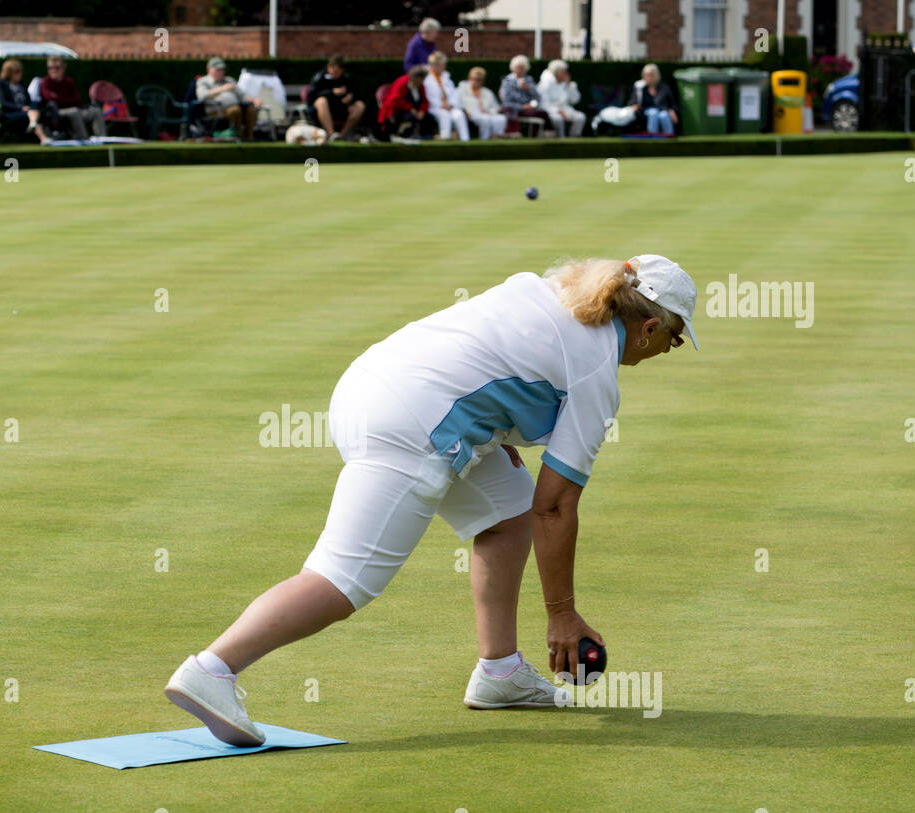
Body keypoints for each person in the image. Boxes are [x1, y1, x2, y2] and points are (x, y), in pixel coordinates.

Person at [164, 255, 700, 745]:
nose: (667, 351)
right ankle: (213, 669)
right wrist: (562, 615)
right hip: (413, 422)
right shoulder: (596, 367)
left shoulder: (556, 291)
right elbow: (556, 506)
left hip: (370, 386)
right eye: (673, 339)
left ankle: (501, 673)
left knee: (506, 513)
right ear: (649, 327)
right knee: (345, 579)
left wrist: (493, 436)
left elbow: (499, 368)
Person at [40, 55, 105, 140]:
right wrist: (67, 101)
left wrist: (59, 98)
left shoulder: (69, 81)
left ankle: (102, 140)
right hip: (56, 113)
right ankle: (83, 140)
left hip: (76, 109)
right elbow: (49, 98)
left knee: (96, 111)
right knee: (74, 111)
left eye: (56, 67)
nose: (53, 70)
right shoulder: (45, 82)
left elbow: (77, 100)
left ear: (63, 68)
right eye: (50, 68)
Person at [195, 57, 258, 141]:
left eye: (222, 70)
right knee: (235, 110)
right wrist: (223, 88)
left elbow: (243, 96)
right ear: (209, 69)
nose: (220, 72)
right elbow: (202, 96)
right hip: (216, 111)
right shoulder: (203, 81)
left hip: (237, 107)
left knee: (250, 109)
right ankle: (238, 137)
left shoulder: (229, 80)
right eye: (217, 70)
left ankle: (250, 137)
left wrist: (254, 100)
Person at [307, 54, 365, 142]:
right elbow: (312, 96)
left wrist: (351, 98)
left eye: (338, 71)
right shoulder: (320, 78)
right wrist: (332, 92)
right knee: (322, 101)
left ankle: (342, 135)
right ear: (329, 67)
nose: (336, 73)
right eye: (334, 70)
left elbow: (357, 93)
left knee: (360, 105)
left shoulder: (346, 78)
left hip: (341, 109)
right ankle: (331, 134)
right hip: (320, 111)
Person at [377, 66, 437, 142]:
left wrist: (422, 111)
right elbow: (395, 101)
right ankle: (404, 135)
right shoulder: (402, 82)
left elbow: (425, 101)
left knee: (430, 117)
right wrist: (411, 109)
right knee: (410, 117)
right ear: (415, 77)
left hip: (415, 111)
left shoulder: (421, 86)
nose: (422, 82)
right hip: (398, 111)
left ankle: (425, 136)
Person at [0, 59, 48, 144]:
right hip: (10, 113)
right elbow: (2, 102)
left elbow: (29, 100)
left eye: (20, 71)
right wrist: (20, 107)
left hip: (27, 112)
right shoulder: (1, 83)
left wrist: (28, 108)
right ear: (9, 72)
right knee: (32, 113)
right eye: (17, 71)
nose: (20, 74)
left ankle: (33, 124)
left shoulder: (22, 83)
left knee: (34, 106)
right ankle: (42, 136)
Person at [499, 54, 551, 136]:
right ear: (513, 68)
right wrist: (522, 107)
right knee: (535, 113)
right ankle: (524, 134)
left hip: (530, 107)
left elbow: (538, 98)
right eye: (518, 67)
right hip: (515, 109)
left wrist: (529, 89)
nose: (520, 70)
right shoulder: (507, 81)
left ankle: (546, 133)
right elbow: (506, 101)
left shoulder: (529, 80)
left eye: (522, 68)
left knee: (543, 113)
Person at [423, 52, 469, 141]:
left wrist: (451, 104)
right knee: (444, 115)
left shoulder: (446, 77)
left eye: (443, 65)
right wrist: (441, 105)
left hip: (449, 107)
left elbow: (454, 94)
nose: (443, 67)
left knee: (459, 115)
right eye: (440, 65)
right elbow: (427, 96)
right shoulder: (426, 79)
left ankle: (465, 140)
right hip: (435, 108)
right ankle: (445, 139)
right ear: (433, 65)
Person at [458, 66, 508, 140]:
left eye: (478, 80)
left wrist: (489, 111)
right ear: (469, 78)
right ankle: (484, 139)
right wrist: (465, 112)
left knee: (501, 118)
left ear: (482, 81)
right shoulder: (461, 90)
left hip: (487, 113)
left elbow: (496, 107)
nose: (474, 82)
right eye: (472, 79)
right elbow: (458, 104)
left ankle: (497, 137)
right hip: (471, 115)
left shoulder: (488, 92)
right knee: (485, 119)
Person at [538, 59, 585, 137]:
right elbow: (544, 104)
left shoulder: (565, 84)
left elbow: (575, 100)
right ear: (556, 73)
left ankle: (573, 138)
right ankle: (561, 138)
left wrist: (569, 86)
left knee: (580, 117)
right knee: (558, 119)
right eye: (564, 72)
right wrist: (558, 111)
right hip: (551, 111)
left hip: (566, 109)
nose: (566, 74)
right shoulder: (545, 84)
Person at [631, 63, 678, 135]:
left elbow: (672, 103)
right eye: (647, 75)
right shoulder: (640, 88)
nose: (649, 77)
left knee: (664, 115)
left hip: (663, 110)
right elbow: (633, 101)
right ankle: (653, 138)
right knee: (653, 112)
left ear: (656, 75)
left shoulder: (664, 87)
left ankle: (669, 138)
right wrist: (634, 105)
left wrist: (671, 110)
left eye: (651, 75)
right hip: (645, 112)